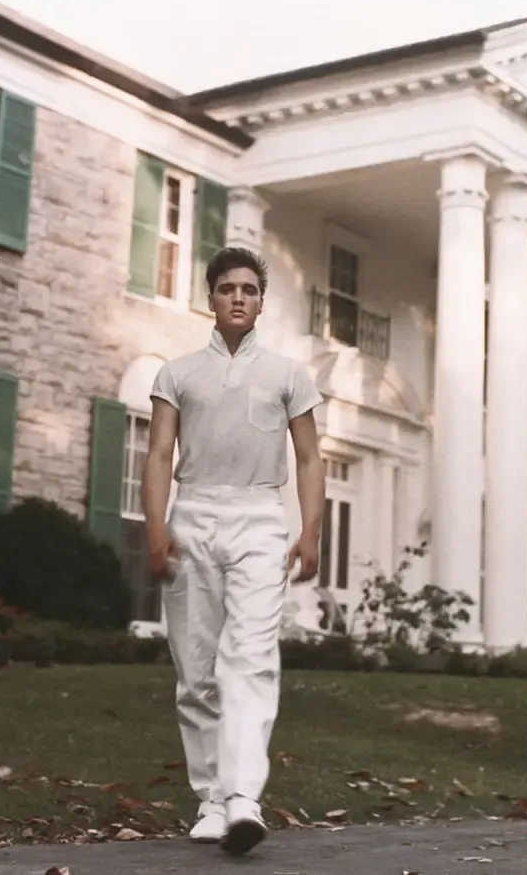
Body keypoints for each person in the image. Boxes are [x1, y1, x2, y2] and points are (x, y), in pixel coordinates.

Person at [141, 246, 325, 856]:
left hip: (258, 519)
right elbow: (159, 455)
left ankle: (244, 797)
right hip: (192, 514)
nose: (239, 297)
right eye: (227, 289)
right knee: (196, 672)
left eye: (249, 288)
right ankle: (211, 801)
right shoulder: (177, 373)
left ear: (261, 301)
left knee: (249, 659)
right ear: (212, 300)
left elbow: (308, 458)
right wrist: (155, 528)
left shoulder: (289, 375)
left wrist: (311, 532)